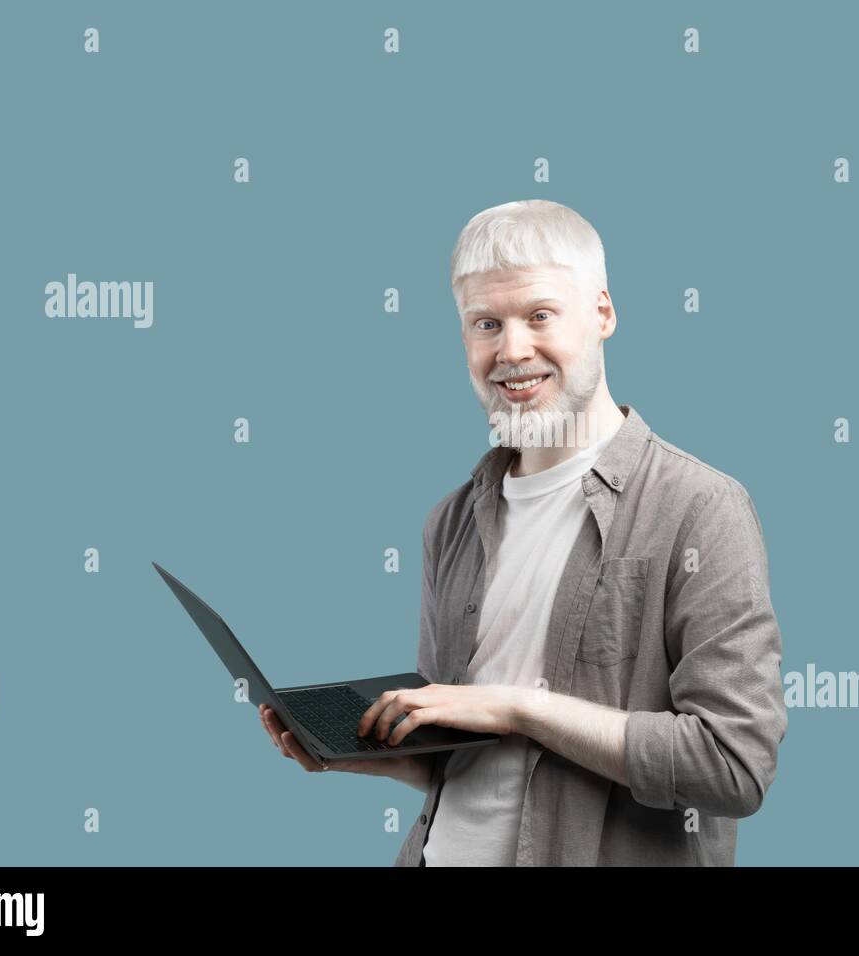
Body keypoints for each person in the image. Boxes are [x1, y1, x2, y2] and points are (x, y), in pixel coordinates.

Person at [258, 199, 787, 865]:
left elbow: (734, 765)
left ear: (602, 314)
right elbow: (465, 754)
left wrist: (517, 708)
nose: (512, 350)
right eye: (486, 323)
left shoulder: (700, 507)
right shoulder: (451, 521)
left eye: (539, 316)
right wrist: (355, 751)